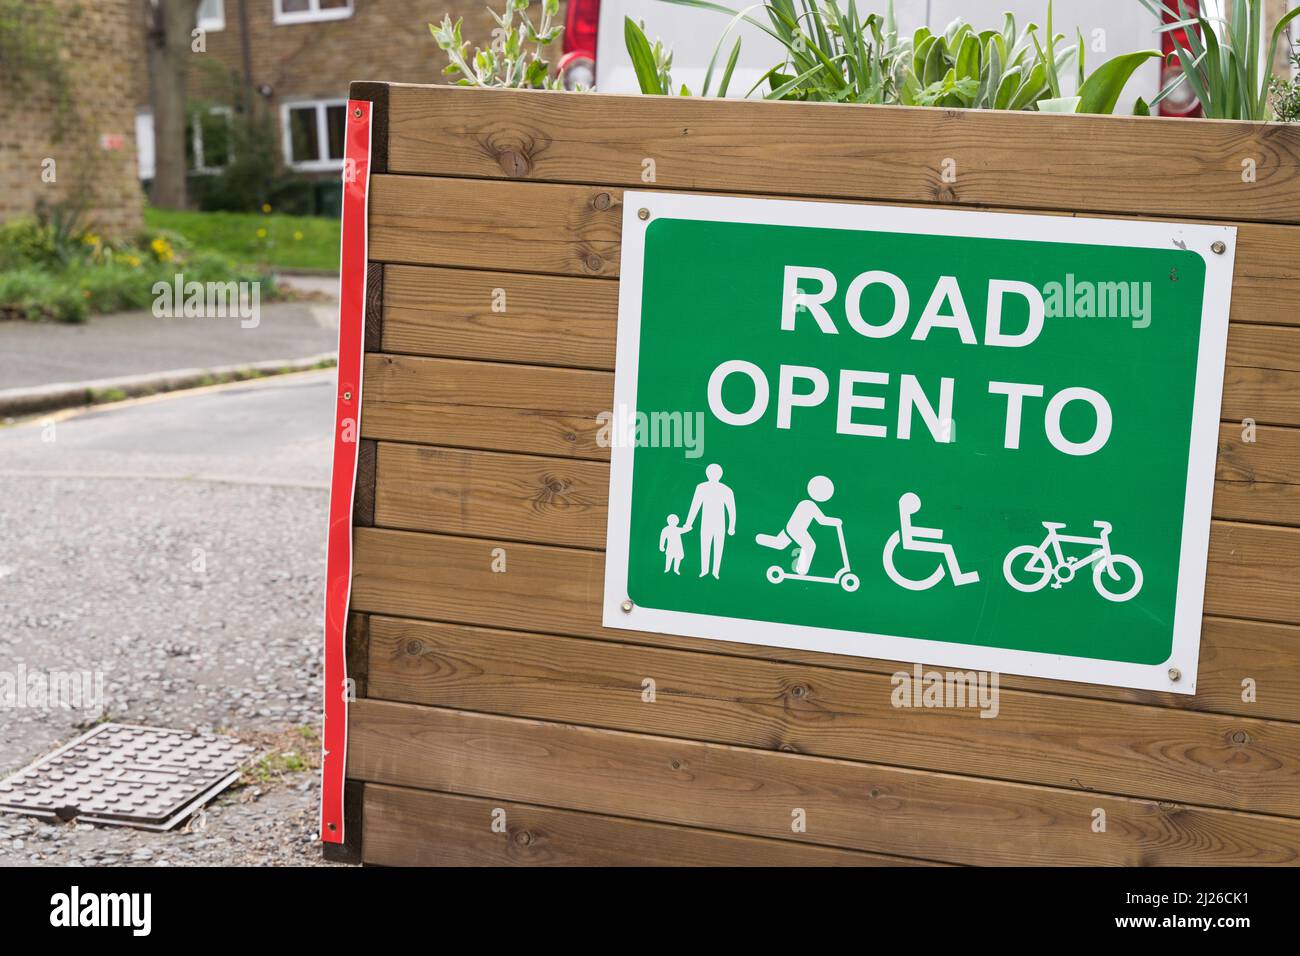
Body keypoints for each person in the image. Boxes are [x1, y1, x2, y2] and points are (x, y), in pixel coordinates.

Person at [756, 475, 840, 575]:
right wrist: (836, 522)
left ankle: (759, 538)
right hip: (796, 530)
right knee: (810, 546)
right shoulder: (810, 505)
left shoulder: (805, 503)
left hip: (790, 528)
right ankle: (801, 570)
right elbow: (822, 520)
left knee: (780, 544)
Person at [896, 492, 979, 585]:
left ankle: (959, 576)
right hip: (910, 544)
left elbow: (912, 531)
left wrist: (937, 534)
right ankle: (958, 577)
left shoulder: (905, 513)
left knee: (946, 547)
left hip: (911, 541)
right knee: (946, 548)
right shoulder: (905, 514)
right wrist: (937, 533)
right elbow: (909, 534)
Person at [683, 463, 736, 579]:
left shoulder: (726, 490)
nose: (713, 475)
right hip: (706, 523)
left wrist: (731, 526)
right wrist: (688, 523)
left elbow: (731, 510)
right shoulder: (701, 487)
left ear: (720, 475)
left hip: (720, 524)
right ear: (707, 474)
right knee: (705, 546)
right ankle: (704, 570)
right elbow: (695, 506)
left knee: (718, 547)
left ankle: (715, 571)